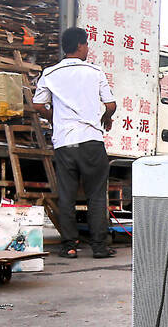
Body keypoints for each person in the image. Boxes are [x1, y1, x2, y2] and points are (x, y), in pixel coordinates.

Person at [32, 27, 117, 259]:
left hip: (65, 144)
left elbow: (38, 105)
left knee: (67, 196)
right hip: (91, 141)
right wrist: (105, 118)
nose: (88, 48)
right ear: (80, 46)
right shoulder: (94, 72)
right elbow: (110, 105)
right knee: (96, 195)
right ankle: (99, 247)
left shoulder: (50, 74)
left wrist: (55, 119)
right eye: (87, 44)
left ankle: (69, 245)